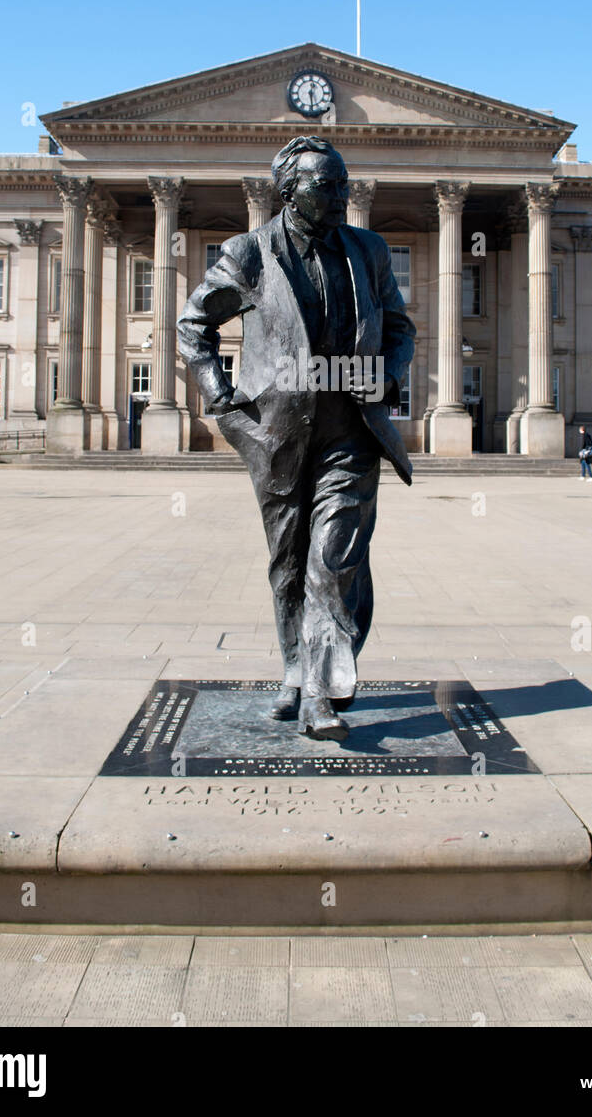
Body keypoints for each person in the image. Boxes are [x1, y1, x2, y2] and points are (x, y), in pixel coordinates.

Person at [177, 136, 416, 742]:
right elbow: (193, 325)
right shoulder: (249, 254)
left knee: (332, 562)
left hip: (352, 433)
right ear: (290, 190)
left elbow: (397, 326)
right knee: (287, 566)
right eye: (327, 185)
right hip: (277, 437)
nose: (341, 195)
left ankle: (319, 692)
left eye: (342, 182)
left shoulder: (369, 250)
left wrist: (387, 372)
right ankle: (294, 669)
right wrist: (219, 391)